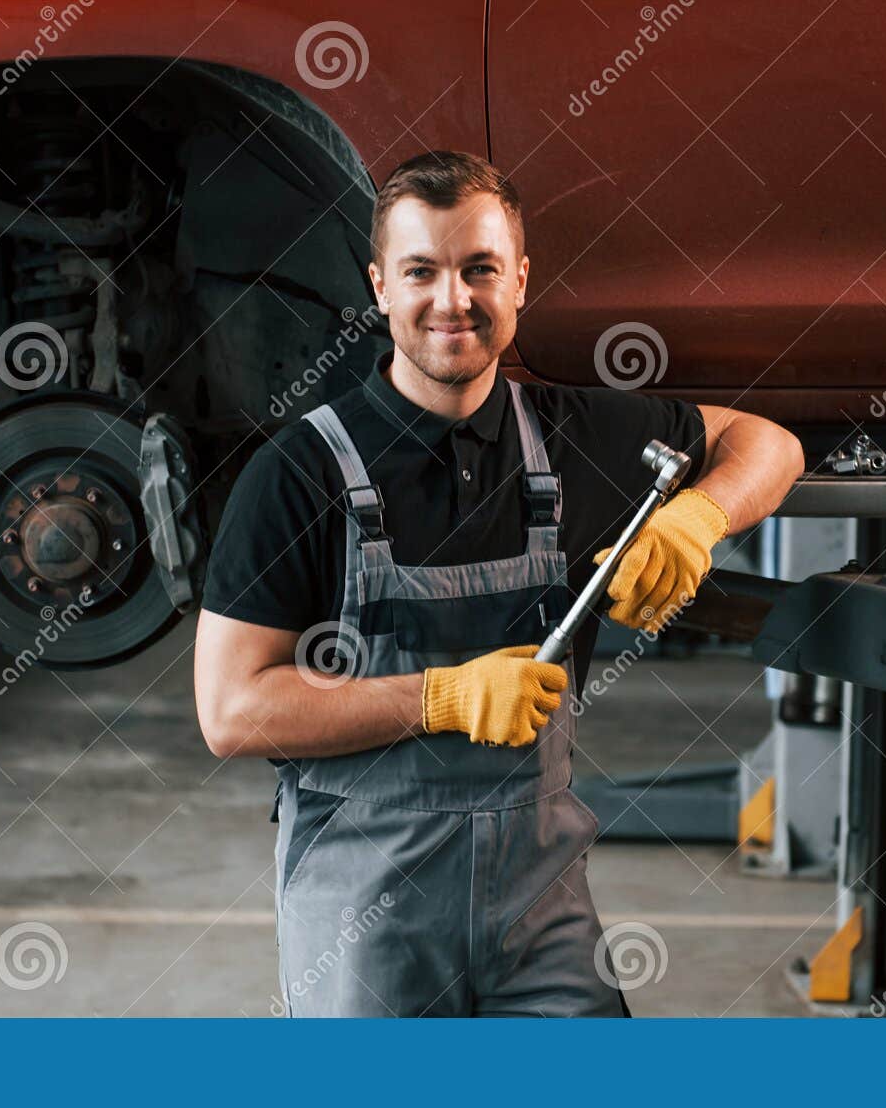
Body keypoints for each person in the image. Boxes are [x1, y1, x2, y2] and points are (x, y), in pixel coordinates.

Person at [194, 150, 803, 1016]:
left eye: (480, 269)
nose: (453, 300)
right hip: (366, 916)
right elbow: (230, 710)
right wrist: (439, 698)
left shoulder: (578, 439)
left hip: (539, 907)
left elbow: (770, 443)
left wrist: (700, 516)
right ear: (378, 286)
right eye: (422, 272)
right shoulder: (298, 474)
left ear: (518, 280)